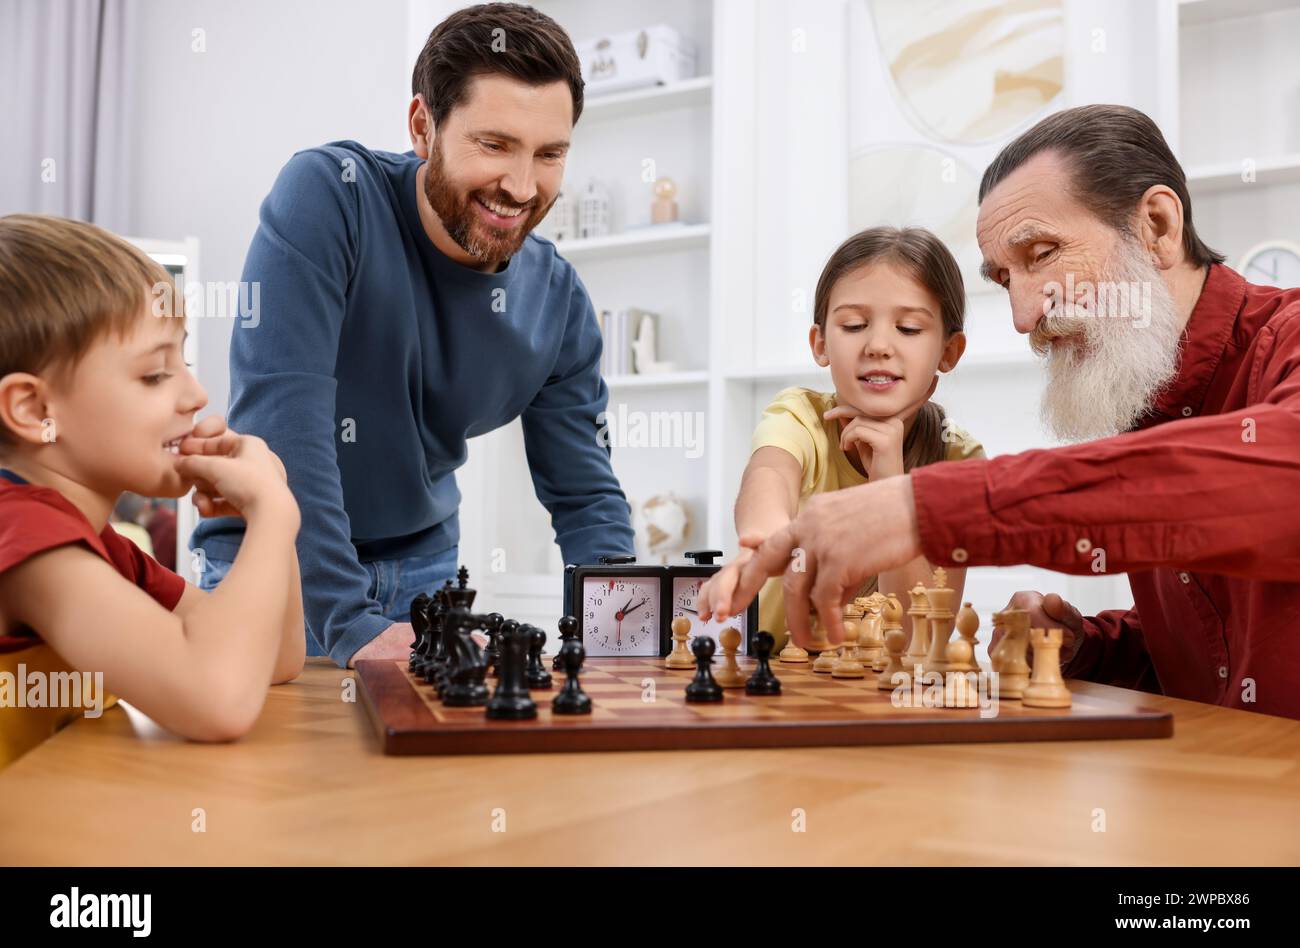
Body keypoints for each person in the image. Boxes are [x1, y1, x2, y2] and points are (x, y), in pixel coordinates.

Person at [699, 105, 1300, 720]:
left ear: (1157, 225)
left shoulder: (1289, 339)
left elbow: (1277, 476)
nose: (1023, 317)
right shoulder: (1146, 401)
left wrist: (920, 506)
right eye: (1003, 277)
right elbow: (1224, 651)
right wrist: (1086, 648)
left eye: (1041, 254)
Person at [191, 2, 634, 668]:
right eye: (494, 144)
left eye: (549, 154)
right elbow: (289, 425)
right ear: (423, 126)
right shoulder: (328, 197)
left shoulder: (560, 300)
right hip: (277, 565)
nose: (521, 186)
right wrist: (347, 620)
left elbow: (585, 492)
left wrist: (622, 629)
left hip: (425, 576)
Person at [0, 214, 304, 768]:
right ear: (35, 409)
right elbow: (216, 700)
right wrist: (273, 515)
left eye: (182, 363)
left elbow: (275, 661)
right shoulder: (24, 533)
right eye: (155, 375)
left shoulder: (104, 546)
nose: (196, 394)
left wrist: (266, 509)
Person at [701, 227, 985, 646]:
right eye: (854, 325)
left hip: (889, 695)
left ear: (949, 351)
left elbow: (918, 636)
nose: (878, 345)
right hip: (781, 682)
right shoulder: (801, 416)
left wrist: (888, 483)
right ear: (820, 344)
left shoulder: (958, 457)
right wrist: (761, 546)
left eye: (908, 328)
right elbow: (770, 475)